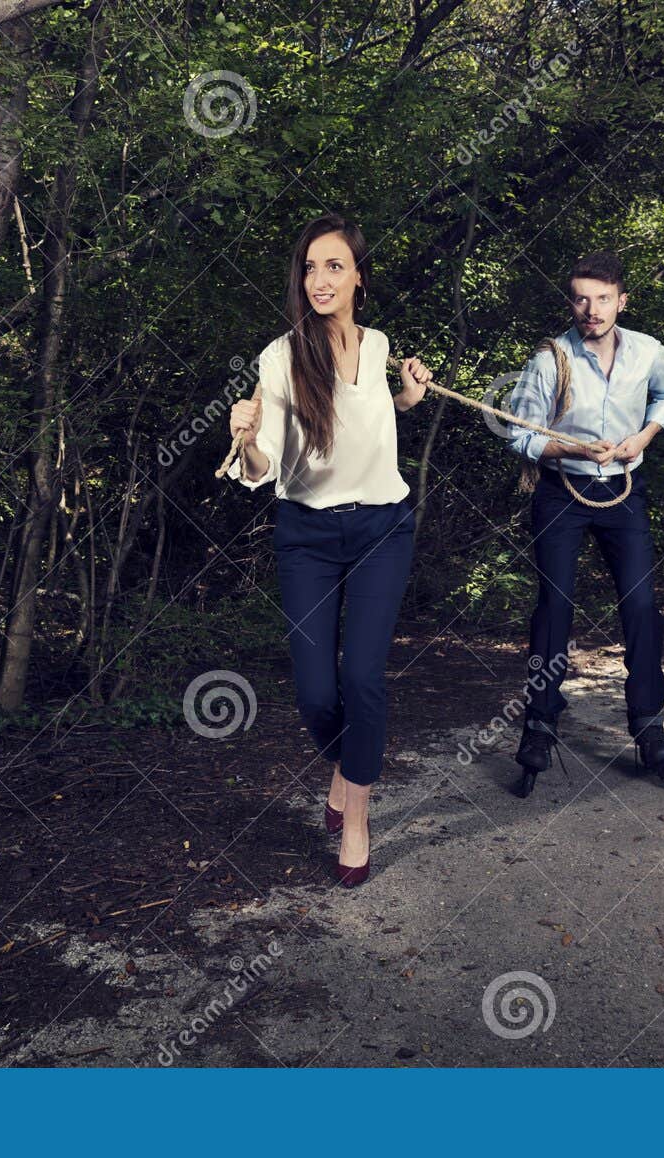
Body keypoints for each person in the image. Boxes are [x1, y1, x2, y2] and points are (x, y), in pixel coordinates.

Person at [226, 212, 432, 886]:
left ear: (358, 279)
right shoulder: (280, 358)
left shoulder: (377, 347)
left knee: (364, 679)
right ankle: (348, 766)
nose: (319, 279)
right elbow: (265, 466)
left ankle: (357, 816)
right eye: (311, 267)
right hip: (307, 535)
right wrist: (246, 436)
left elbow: (372, 419)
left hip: (382, 529)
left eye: (334, 266)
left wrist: (408, 393)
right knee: (317, 693)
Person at [506, 251, 664, 798]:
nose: (592, 309)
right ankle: (539, 723)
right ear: (572, 302)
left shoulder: (648, 353)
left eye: (603, 298)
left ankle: (648, 724)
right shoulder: (549, 361)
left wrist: (643, 437)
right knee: (554, 608)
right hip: (562, 492)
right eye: (582, 298)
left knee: (640, 605)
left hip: (624, 494)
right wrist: (562, 445)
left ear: (621, 301)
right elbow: (518, 432)